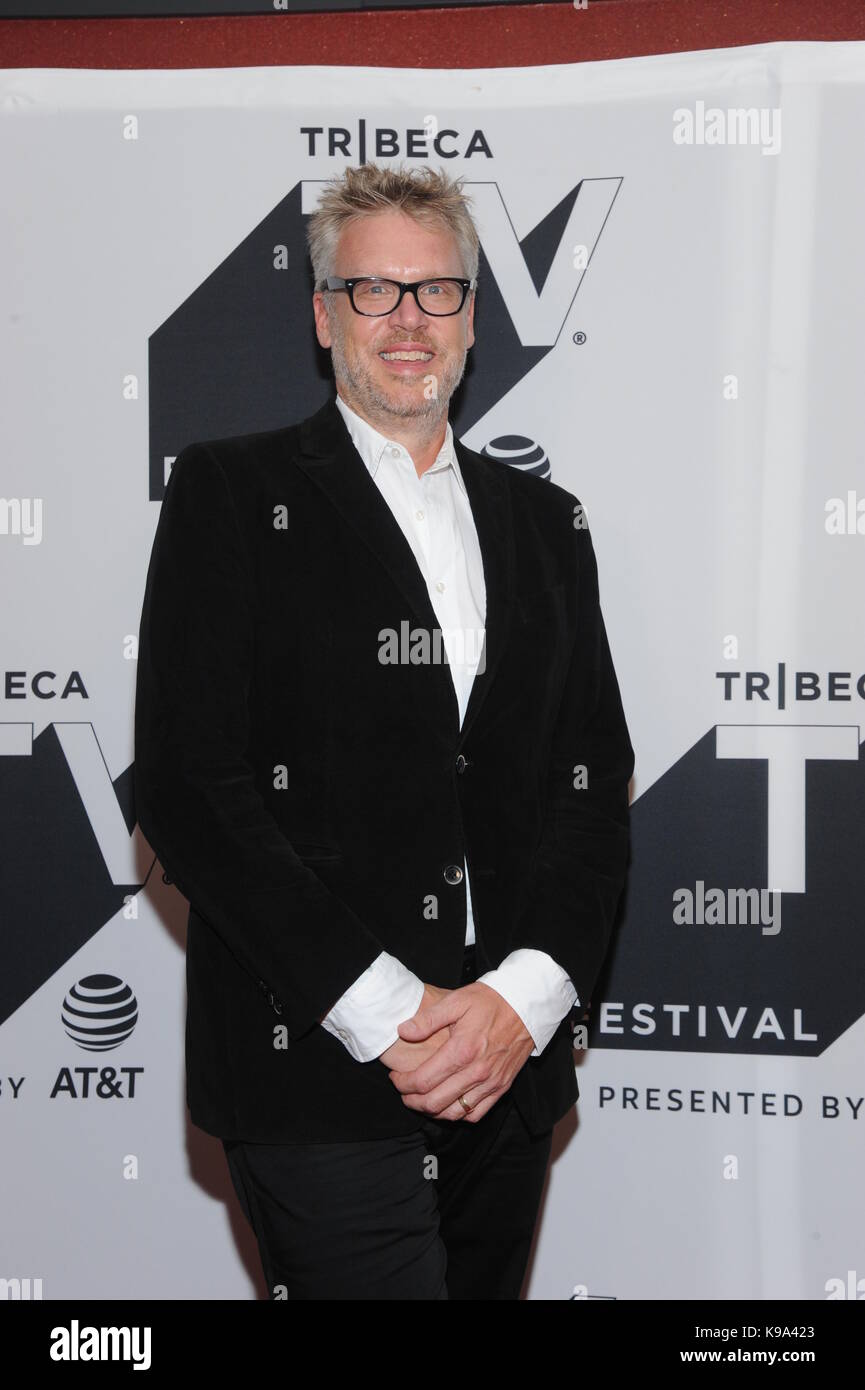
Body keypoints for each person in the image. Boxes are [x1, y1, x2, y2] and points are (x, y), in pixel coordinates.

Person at [134, 161, 635, 1300]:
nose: (407, 321)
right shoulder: (229, 495)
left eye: (436, 291)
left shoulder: (547, 526)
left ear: (471, 316)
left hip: (508, 1066)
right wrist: (399, 1018)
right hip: (316, 1065)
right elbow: (190, 785)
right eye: (373, 292)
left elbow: (589, 788)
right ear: (322, 316)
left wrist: (522, 1001)